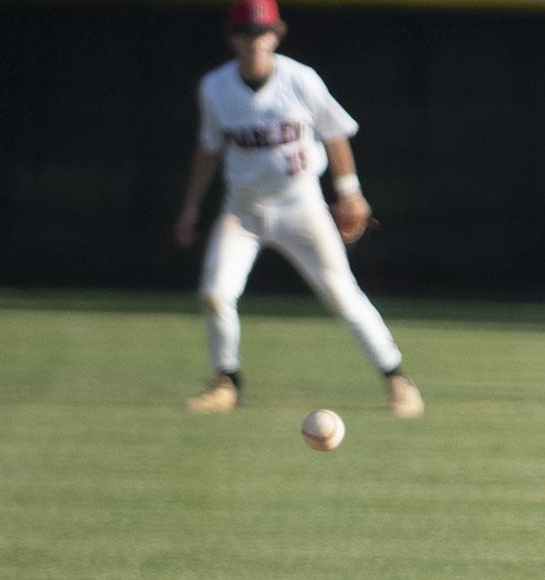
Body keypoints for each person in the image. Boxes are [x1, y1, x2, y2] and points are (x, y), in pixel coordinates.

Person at [172, 0, 423, 417]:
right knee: (216, 293)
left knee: (342, 294)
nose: (256, 41)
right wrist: (191, 207)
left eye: (263, 32)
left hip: (300, 204)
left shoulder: (299, 79)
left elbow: (335, 133)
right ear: (233, 37)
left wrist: (350, 191)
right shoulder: (215, 87)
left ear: (277, 34)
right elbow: (208, 149)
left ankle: (397, 378)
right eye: (247, 32)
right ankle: (226, 382)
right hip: (243, 210)